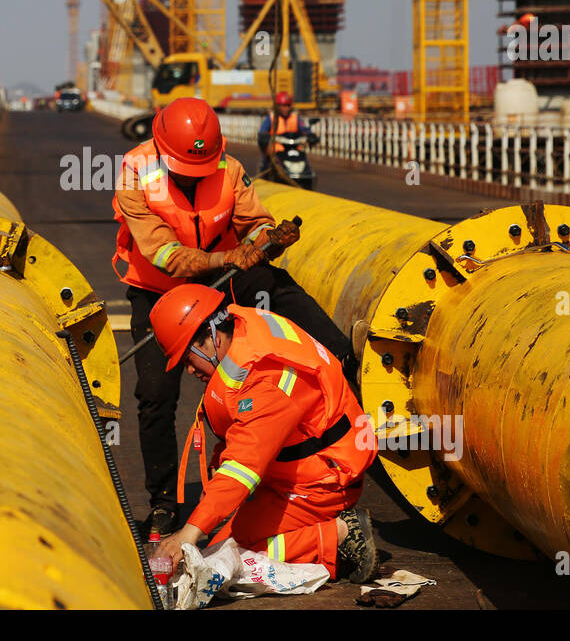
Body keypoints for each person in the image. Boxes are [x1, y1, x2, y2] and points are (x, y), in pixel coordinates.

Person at [112, 97, 355, 537]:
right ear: (164, 152)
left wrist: (267, 240)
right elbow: (163, 254)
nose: (198, 175)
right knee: (155, 395)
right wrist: (230, 256)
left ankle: (341, 359)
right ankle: (164, 503)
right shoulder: (134, 171)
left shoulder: (228, 167)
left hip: (222, 276)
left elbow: (254, 221)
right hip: (160, 290)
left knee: (271, 281)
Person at [148, 284, 378, 581]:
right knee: (218, 547)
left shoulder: (268, 378)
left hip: (321, 484)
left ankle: (341, 533)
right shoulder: (244, 330)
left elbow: (243, 466)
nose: (190, 371)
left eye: (187, 360)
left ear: (210, 338)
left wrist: (186, 535)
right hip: (292, 473)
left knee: (226, 559)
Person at [256, 91, 318, 176]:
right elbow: (262, 132)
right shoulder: (271, 118)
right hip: (277, 151)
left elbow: (303, 129)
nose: (286, 108)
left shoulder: (295, 117)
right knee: (267, 165)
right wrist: (264, 137)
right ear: (278, 106)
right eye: (284, 105)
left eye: (288, 105)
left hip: (294, 148)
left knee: (306, 167)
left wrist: (310, 135)